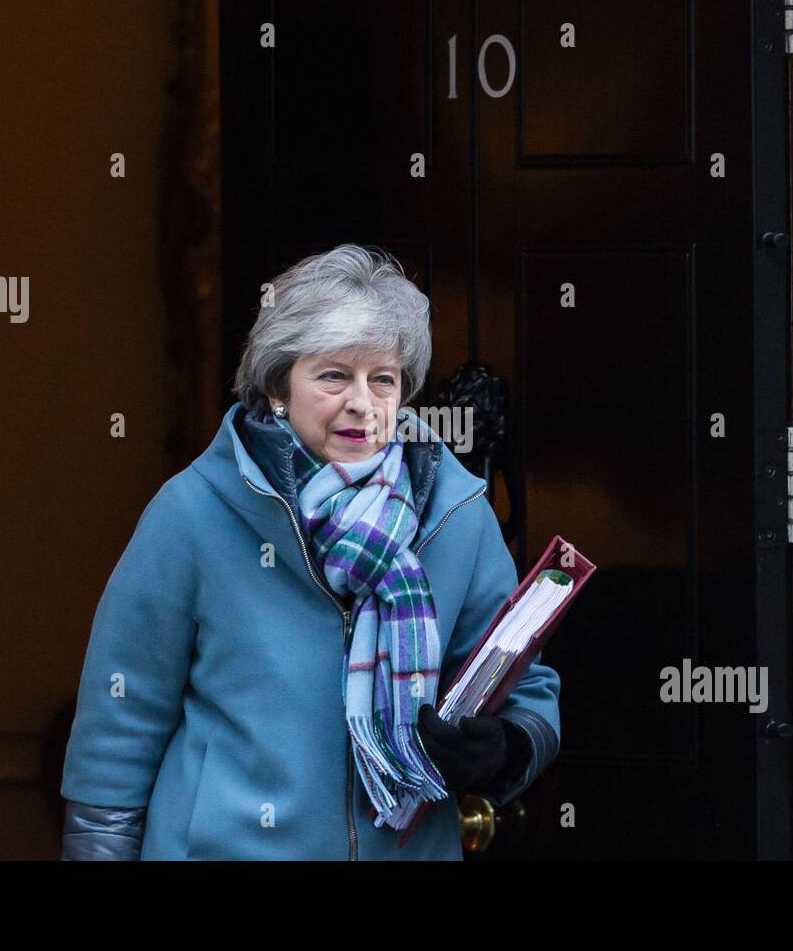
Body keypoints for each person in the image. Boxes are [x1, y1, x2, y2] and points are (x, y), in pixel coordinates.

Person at [59, 244, 561, 860]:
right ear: (277, 386)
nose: (361, 402)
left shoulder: (456, 514)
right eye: (332, 375)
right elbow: (121, 720)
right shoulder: (192, 511)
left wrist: (504, 748)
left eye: (383, 379)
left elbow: (525, 686)